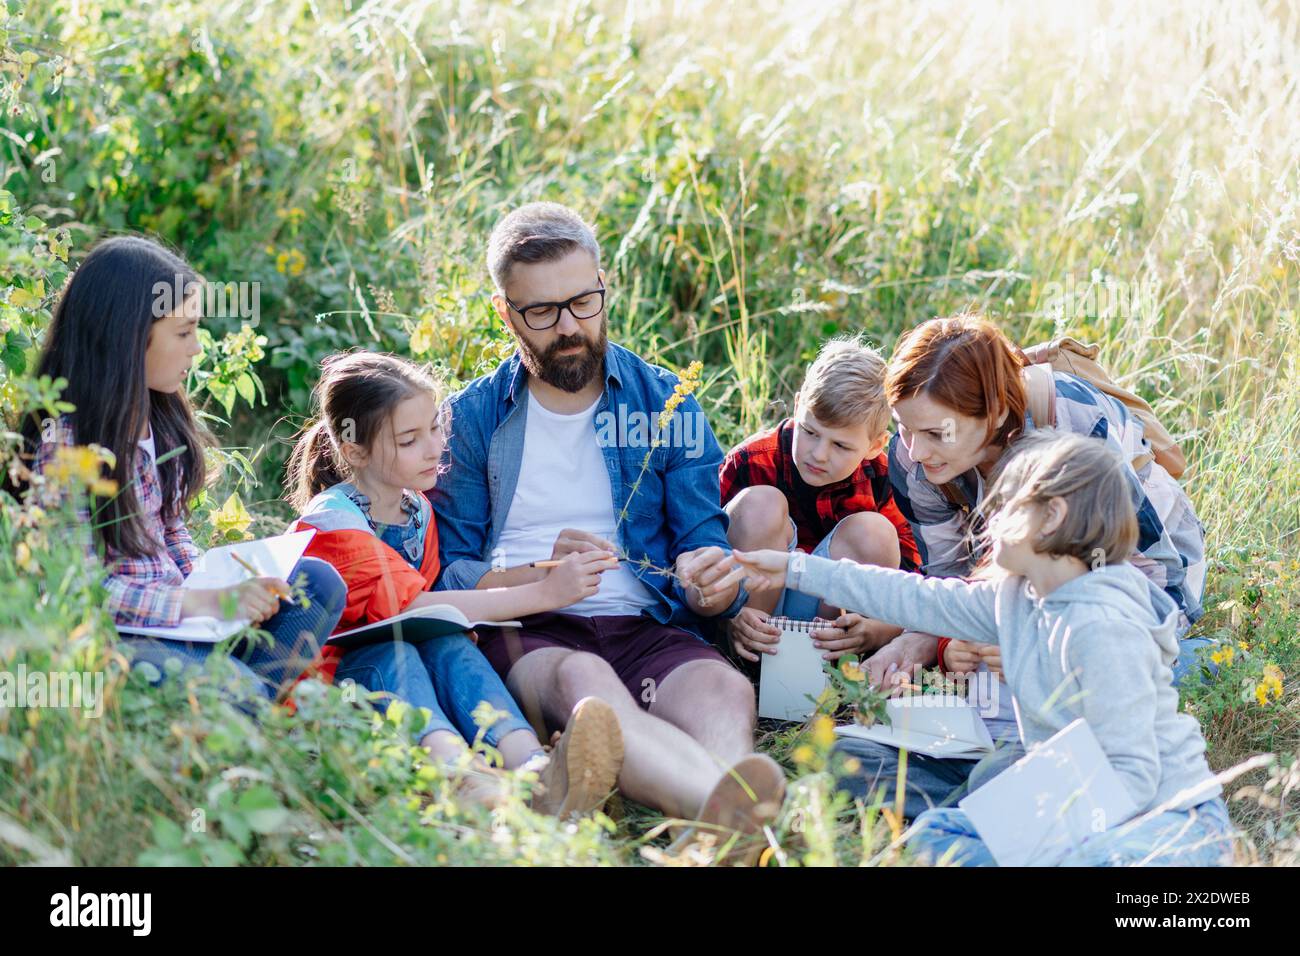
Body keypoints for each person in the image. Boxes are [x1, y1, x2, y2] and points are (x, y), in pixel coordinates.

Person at [431, 201, 784, 856]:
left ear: (604, 287)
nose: (569, 328)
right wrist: (541, 578)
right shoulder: (471, 419)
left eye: (582, 303)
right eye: (542, 312)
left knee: (725, 688)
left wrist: (712, 584)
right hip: (530, 630)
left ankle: (710, 833)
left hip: (643, 624)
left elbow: (703, 542)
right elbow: (451, 571)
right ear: (503, 314)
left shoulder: (664, 401)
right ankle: (729, 820)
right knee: (585, 683)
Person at [732, 430, 1236, 866]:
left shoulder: (1100, 624)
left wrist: (1030, 829)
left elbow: (1133, 773)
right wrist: (794, 568)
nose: (988, 520)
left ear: (1052, 516)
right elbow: (914, 597)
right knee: (933, 838)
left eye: (1005, 505)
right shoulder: (1018, 596)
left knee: (962, 846)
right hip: (1070, 796)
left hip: (1164, 824)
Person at [286, 350, 624, 814]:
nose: (434, 447)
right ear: (354, 451)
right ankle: (462, 780)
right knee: (396, 649)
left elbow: (439, 605)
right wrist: (543, 594)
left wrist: (541, 569)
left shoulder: (417, 510)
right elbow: (414, 606)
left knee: (451, 643)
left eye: (435, 428)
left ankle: (532, 766)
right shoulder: (333, 524)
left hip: (395, 683)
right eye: (409, 440)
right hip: (330, 690)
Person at [17, 235, 346, 703]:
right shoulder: (67, 446)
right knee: (239, 689)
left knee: (318, 583)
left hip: (187, 621)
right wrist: (198, 602)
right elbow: (75, 588)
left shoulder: (158, 420)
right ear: (128, 336)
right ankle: (230, 700)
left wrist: (225, 588)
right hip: (125, 637)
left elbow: (172, 536)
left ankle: (226, 699)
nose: (195, 349)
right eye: (183, 332)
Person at [720, 336, 920, 668]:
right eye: (810, 432)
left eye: (841, 446)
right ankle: (745, 656)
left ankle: (815, 671)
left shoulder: (887, 481)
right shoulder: (752, 460)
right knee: (760, 505)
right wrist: (728, 613)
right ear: (798, 406)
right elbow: (700, 545)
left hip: (825, 619)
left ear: (875, 444)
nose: (818, 454)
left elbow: (915, 582)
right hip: (749, 603)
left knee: (874, 531)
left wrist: (878, 630)